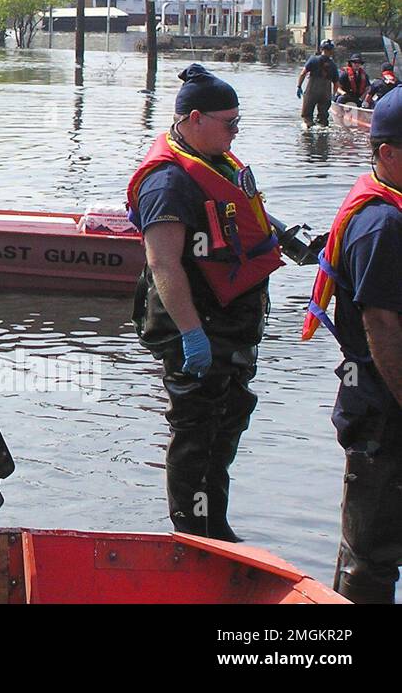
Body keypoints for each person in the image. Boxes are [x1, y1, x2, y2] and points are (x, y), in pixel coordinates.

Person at [127, 64, 283, 542]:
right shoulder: (168, 183)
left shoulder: (219, 161)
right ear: (195, 119)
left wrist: (288, 239)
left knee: (226, 424)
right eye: (229, 122)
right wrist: (193, 335)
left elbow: (242, 212)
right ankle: (193, 535)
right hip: (197, 328)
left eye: (238, 121)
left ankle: (216, 526)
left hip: (231, 325)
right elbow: (165, 265)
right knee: (197, 430)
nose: (236, 131)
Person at [301, 88, 402, 603]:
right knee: (371, 559)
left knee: (372, 551)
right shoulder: (382, 224)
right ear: (388, 153)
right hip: (383, 414)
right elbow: (381, 325)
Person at [297, 40, 339, 125]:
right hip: (326, 92)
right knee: (323, 118)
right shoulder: (333, 65)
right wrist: (333, 95)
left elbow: (303, 73)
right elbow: (336, 83)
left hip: (312, 90)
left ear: (321, 49)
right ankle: (322, 133)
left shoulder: (313, 59)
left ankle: (308, 131)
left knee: (307, 115)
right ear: (332, 51)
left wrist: (299, 86)